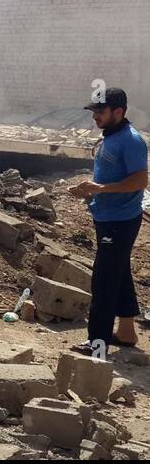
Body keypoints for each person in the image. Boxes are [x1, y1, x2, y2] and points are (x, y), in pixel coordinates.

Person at [67, 87, 146, 354]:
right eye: (94, 112)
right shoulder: (110, 137)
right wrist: (89, 190)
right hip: (107, 216)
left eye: (100, 112)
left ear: (118, 112)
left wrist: (99, 189)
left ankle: (97, 342)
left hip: (120, 220)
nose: (95, 117)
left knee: (104, 279)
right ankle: (126, 333)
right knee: (119, 273)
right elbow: (110, 177)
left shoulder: (131, 140)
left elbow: (140, 180)